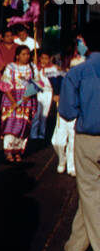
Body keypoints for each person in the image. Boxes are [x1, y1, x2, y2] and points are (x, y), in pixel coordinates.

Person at [60, 24, 100, 251]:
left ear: (85, 42)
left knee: (90, 193)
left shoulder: (77, 73)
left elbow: (67, 111)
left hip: (88, 139)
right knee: (91, 195)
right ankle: (74, 248)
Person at [52, 41, 85, 175]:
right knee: (57, 142)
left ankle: (71, 166)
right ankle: (62, 159)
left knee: (73, 140)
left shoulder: (84, 81)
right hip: (63, 112)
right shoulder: (62, 78)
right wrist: (55, 95)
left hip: (76, 114)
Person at [0, 46, 37, 163]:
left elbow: (38, 83)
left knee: (23, 125)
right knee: (10, 124)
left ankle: (18, 151)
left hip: (26, 99)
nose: (27, 56)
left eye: (28, 54)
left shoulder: (32, 67)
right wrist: (13, 101)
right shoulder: (10, 67)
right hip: (12, 98)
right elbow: (5, 84)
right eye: (24, 54)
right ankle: (9, 151)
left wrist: (29, 94)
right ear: (17, 56)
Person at [30, 51, 55, 142]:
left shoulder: (52, 68)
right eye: (42, 58)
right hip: (39, 92)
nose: (44, 60)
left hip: (48, 92)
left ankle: (42, 134)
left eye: (46, 58)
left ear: (50, 59)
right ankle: (33, 134)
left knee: (44, 114)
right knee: (37, 113)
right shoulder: (36, 67)